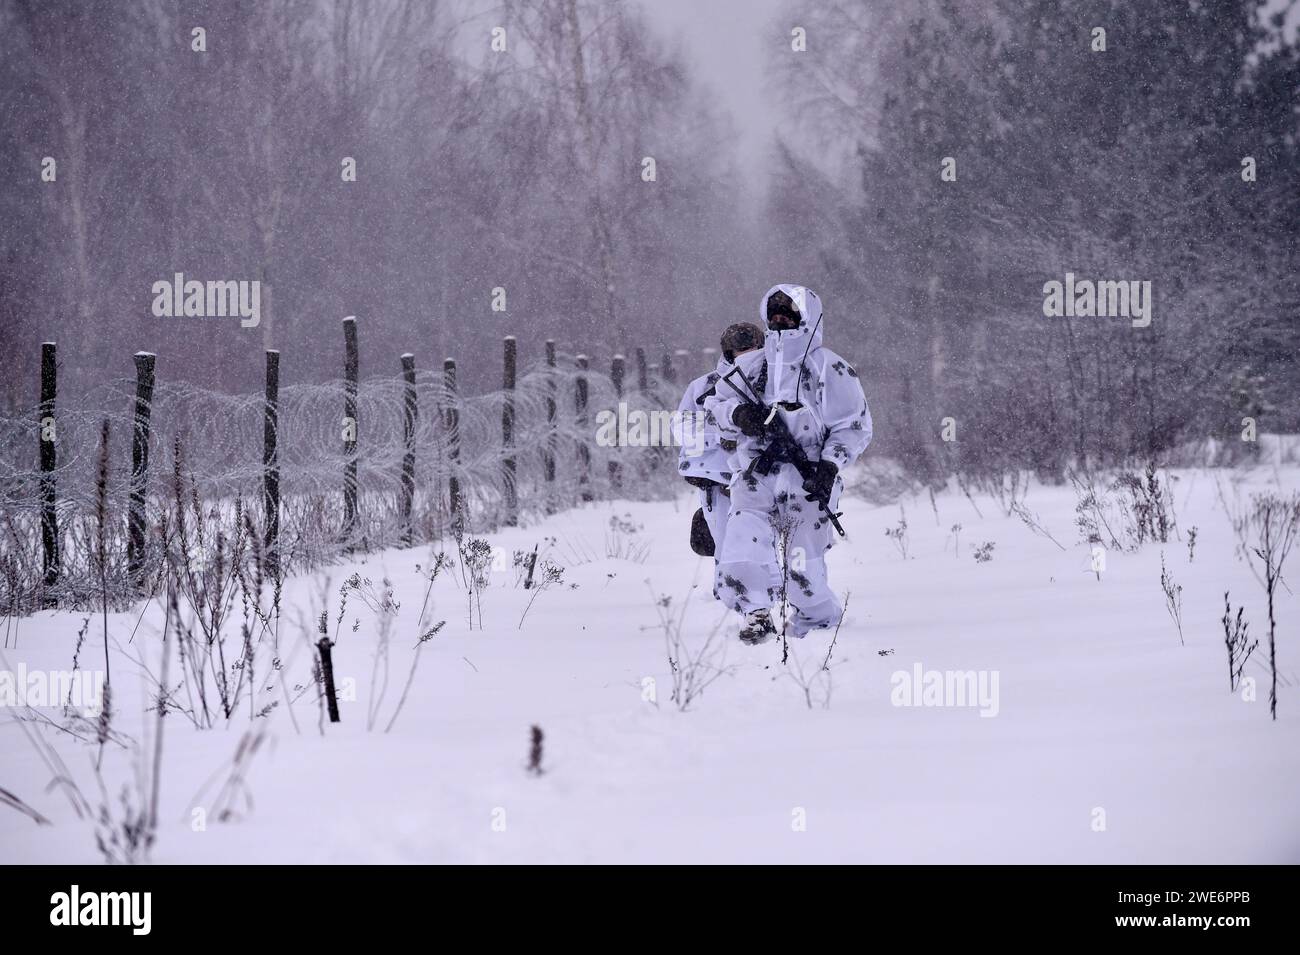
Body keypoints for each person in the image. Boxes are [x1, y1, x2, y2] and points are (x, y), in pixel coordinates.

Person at [706, 285, 872, 644]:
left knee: (802, 564)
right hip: (756, 475)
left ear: (807, 318)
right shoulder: (751, 366)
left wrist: (828, 467)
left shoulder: (829, 367)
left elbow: (853, 426)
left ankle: (819, 626)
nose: (781, 319)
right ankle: (756, 614)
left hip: (807, 476)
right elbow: (714, 406)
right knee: (743, 542)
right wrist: (739, 414)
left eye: (790, 313)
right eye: (775, 312)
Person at [676, 323, 764, 590]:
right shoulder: (705, 386)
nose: (746, 354)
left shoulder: (776, 385)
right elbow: (682, 428)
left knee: (766, 548)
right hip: (719, 481)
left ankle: (770, 600)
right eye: (740, 350)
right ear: (728, 353)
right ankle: (731, 601)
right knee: (726, 548)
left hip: (765, 479)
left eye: (751, 349)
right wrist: (723, 428)